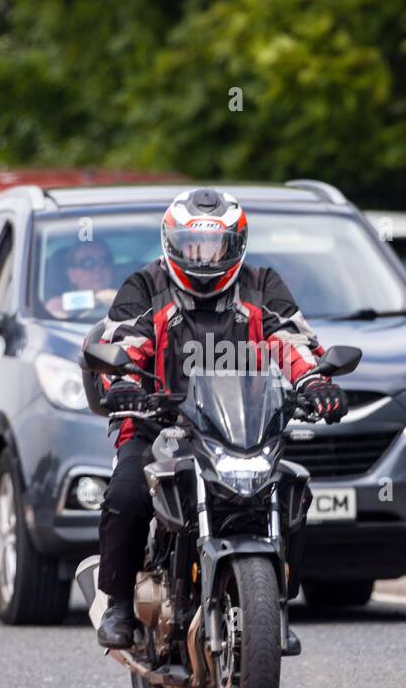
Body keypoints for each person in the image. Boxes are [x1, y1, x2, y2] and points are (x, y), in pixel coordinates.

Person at [90, 187, 346, 649]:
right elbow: (124, 340)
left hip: (241, 428)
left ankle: (276, 604)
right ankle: (119, 604)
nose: (203, 260)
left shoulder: (261, 284)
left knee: (291, 487)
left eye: (214, 248)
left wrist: (314, 383)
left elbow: (291, 338)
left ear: (236, 245)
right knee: (127, 494)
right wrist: (124, 382)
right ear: (171, 243)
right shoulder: (144, 286)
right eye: (192, 247)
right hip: (159, 427)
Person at [46, 240, 118, 318]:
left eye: (104, 261)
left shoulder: (129, 301)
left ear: (112, 270)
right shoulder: (60, 306)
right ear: (72, 274)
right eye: (88, 263)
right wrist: (98, 300)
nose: (98, 268)